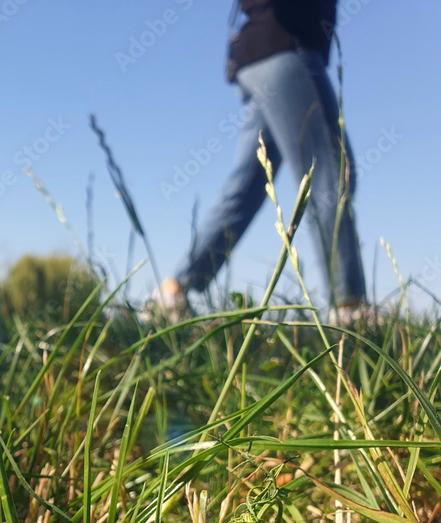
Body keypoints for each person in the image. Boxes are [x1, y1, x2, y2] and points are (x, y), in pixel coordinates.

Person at [156, 0, 367, 320]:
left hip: (263, 54)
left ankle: (173, 292)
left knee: (247, 186)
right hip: (286, 51)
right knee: (330, 173)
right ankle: (350, 309)